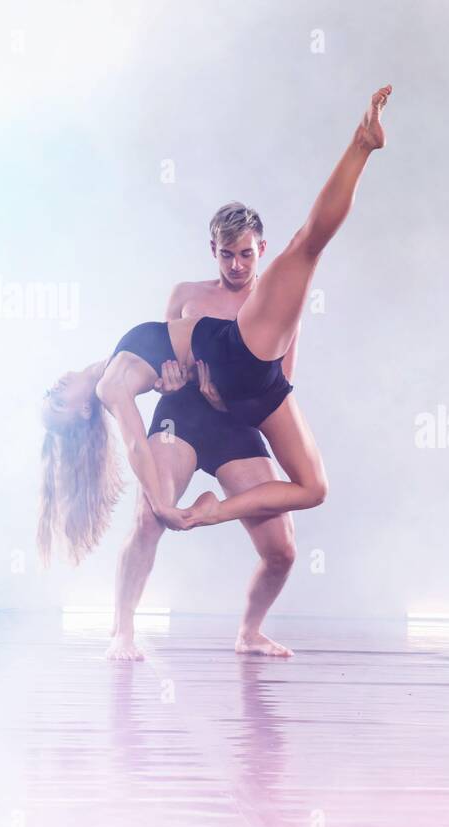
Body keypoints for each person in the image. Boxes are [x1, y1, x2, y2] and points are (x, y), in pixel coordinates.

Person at [38, 85, 392, 571]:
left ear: (256, 252)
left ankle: (214, 512)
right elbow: (137, 440)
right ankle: (361, 145)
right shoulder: (110, 385)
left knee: (314, 490)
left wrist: (200, 389)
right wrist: (163, 502)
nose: (55, 388)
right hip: (234, 363)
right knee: (308, 245)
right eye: (59, 403)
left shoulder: (112, 365)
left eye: (246, 253)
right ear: (80, 415)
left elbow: (175, 365)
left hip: (255, 382)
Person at [105, 203, 302, 662]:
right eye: (227, 255)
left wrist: (228, 402)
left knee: (283, 551)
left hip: (236, 423)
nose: (237, 265)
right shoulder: (186, 295)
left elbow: (278, 391)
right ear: (213, 250)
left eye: (247, 255)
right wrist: (165, 381)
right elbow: (158, 359)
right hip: (183, 415)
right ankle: (123, 629)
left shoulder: (278, 308)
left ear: (263, 251)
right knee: (150, 516)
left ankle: (250, 632)